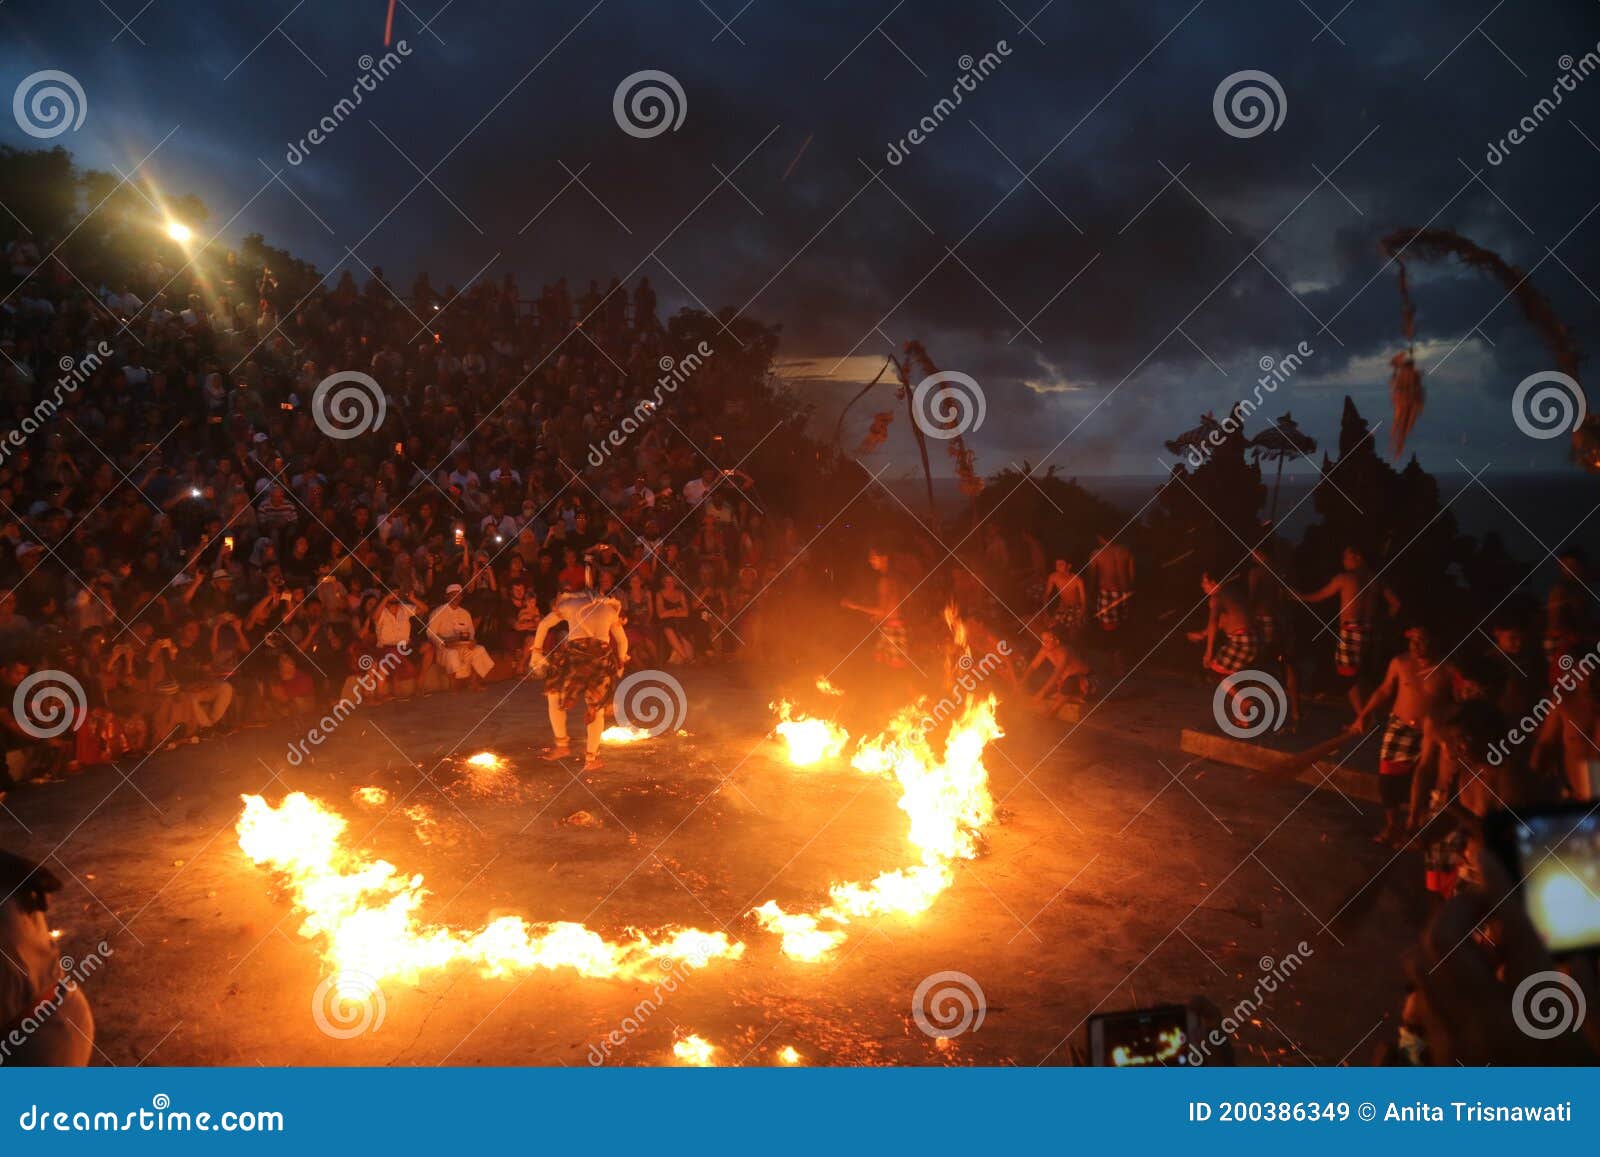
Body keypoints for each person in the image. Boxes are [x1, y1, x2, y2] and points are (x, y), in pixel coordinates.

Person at [1351, 623, 1462, 846]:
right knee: (1388, 781)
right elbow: (1384, 690)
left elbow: (1460, 702)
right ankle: (1393, 826)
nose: (1416, 646)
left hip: (1431, 733)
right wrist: (1363, 715)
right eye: (1413, 641)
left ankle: (1416, 827)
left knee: (1425, 781)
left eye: (1422, 641)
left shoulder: (1448, 669)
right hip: (1400, 727)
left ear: (1434, 642)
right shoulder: (1400, 663)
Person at [530, 570, 628, 771]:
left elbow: (543, 624)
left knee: (554, 695)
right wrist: (621, 660)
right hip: (600, 659)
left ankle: (562, 744)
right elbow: (622, 641)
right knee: (596, 709)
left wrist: (536, 652)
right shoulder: (610, 609)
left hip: (575, 657)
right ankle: (590, 759)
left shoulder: (568, 604)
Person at [1300, 545, 1399, 716]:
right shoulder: (1376, 579)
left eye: (1346, 557)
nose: (1343, 561)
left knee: (1349, 677)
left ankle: (1362, 717)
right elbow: (1396, 604)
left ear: (1358, 557)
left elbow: (1321, 595)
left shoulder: (1345, 578)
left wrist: (1299, 596)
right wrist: (1383, 623)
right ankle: (1370, 714)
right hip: (1371, 631)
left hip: (1351, 632)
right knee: (1362, 675)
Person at [841, 547, 911, 670]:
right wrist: (879, 617)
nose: (870, 560)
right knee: (884, 670)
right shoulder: (894, 577)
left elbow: (882, 610)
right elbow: (892, 608)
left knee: (893, 674)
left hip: (893, 630)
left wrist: (855, 606)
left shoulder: (885, 581)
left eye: (873, 557)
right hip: (893, 627)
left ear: (884, 557)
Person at [426, 583, 494, 690]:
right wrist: (444, 641)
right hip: (445, 648)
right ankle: (454, 685)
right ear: (446, 596)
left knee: (479, 649)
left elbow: (471, 633)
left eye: (459, 595)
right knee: (452, 654)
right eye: (453, 595)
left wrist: (472, 641)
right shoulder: (437, 612)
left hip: (463, 646)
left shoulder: (465, 613)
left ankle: (473, 682)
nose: (456, 598)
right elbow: (430, 633)